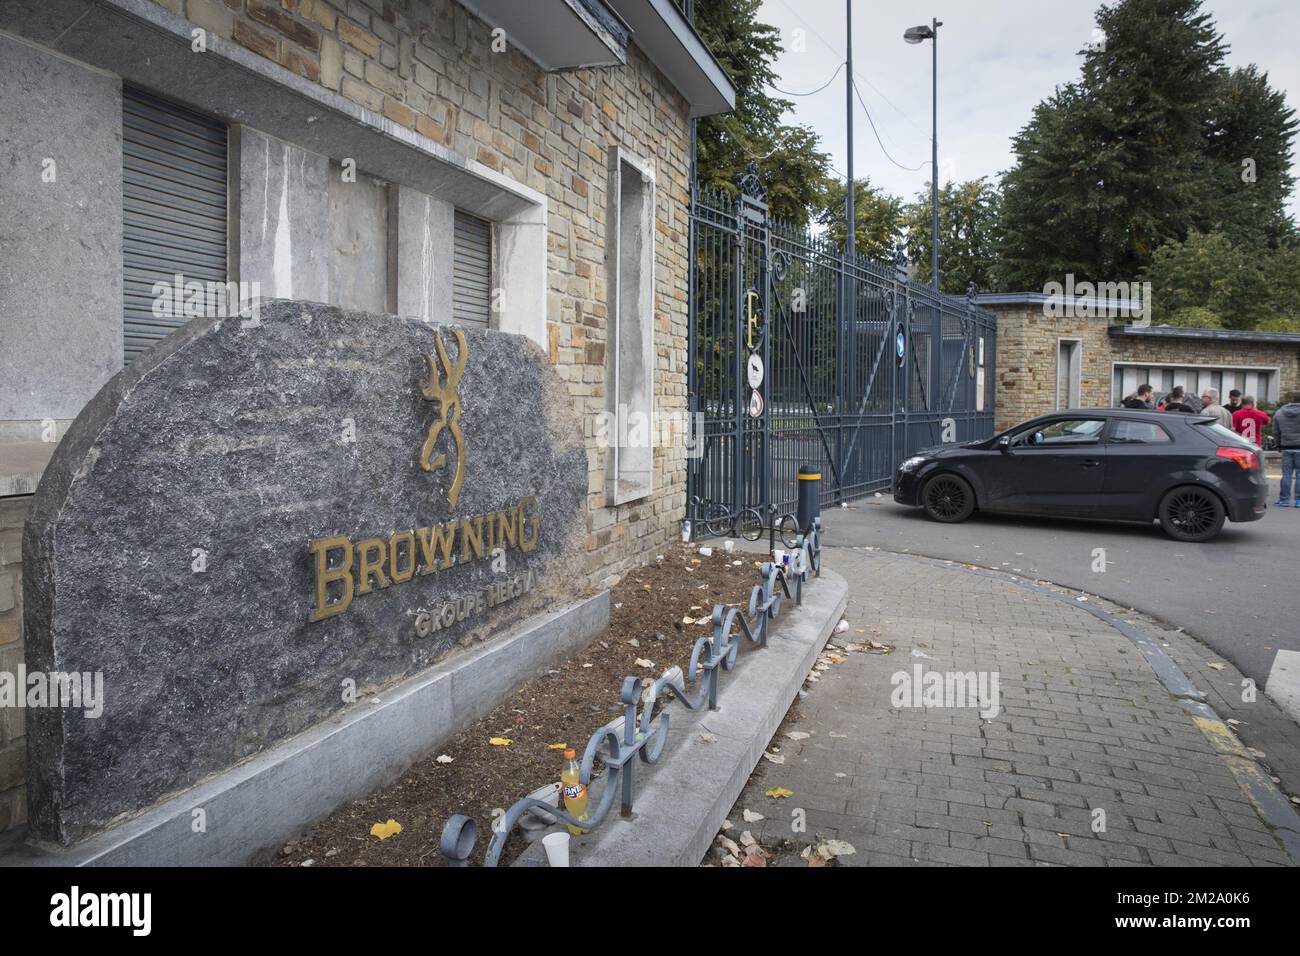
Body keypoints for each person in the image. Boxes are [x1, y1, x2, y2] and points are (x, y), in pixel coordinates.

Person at [1273, 391, 1300, 507]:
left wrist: (1278, 445)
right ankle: (1299, 500)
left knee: (1286, 474)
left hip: (1286, 447)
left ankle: (1284, 499)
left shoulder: (1279, 413)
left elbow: (1275, 432)